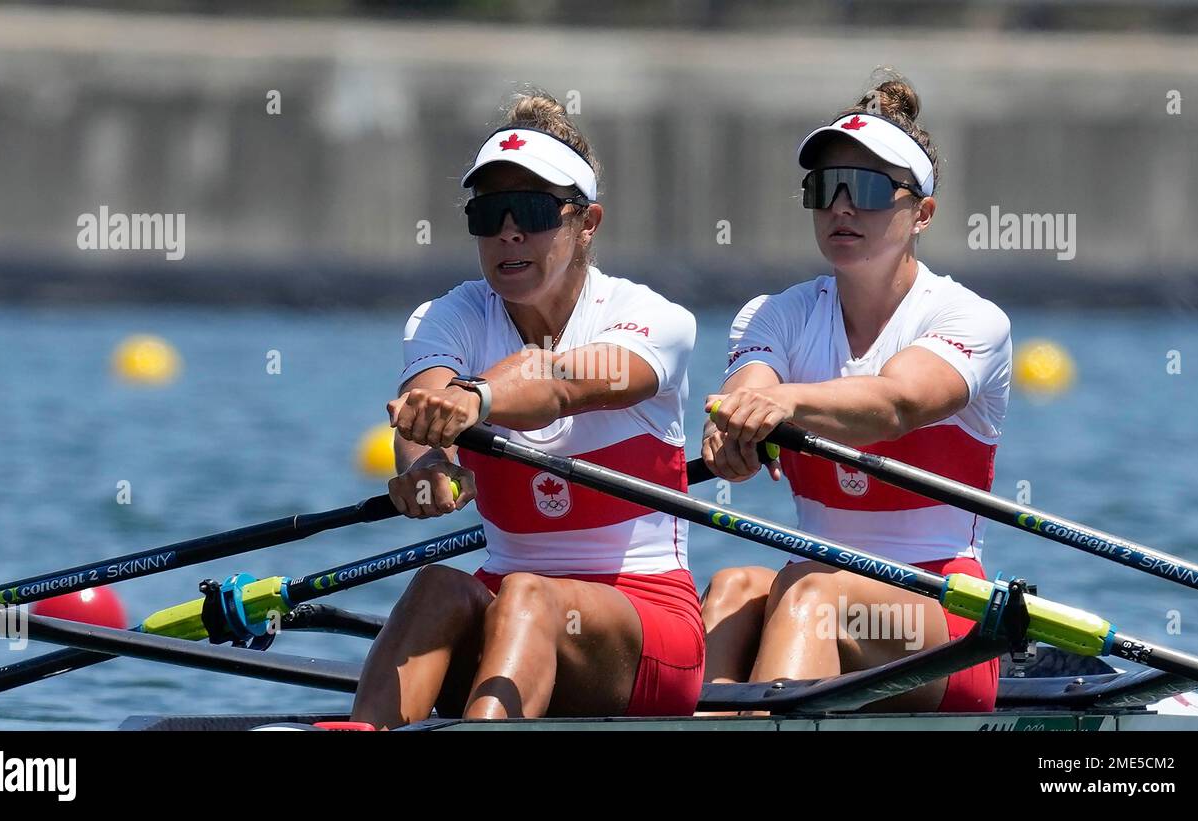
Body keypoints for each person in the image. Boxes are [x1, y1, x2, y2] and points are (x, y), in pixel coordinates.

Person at [350, 90, 702, 728]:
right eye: (489, 213)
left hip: (650, 630)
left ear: (586, 223)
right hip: (509, 609)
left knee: (528, 596)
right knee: (438, 585)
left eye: (535, 211)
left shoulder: (653, 320)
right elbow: (427, 405)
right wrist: (430, 467)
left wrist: (475, 398)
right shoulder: (446, 317)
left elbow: (560, 381)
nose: (509, 231)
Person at [700, 74, 1012, 712]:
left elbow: (895, 406)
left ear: (922, 212)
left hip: (948, 615)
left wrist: (785, 405)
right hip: (817, 585)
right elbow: (746, 391)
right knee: (733, 583)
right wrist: (732, 431)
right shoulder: (772, 316)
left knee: (814, 592)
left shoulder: (971, 320)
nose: (841, 207)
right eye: (824, 189)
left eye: (867, 190)